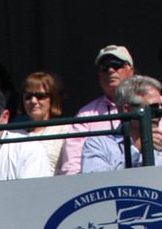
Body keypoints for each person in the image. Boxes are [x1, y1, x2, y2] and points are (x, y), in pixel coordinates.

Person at [78, 75, 162, 173]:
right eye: (153, 107)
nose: (160, 113)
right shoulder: (97, 144)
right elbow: (94, 183)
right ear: (127, 109)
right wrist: (136, 149)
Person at [57, 45, 138, 175]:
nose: (110, 70)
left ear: (131, 70)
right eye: (104, 67)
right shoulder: (85, 115)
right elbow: (72, 166)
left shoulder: (154, 102)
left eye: (116, 64)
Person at [19, 71, 67, 170]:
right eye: (28, 96)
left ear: (52, 99)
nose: (33, 101)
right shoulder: (15, 134)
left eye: (40, 96)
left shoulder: (65, 130)